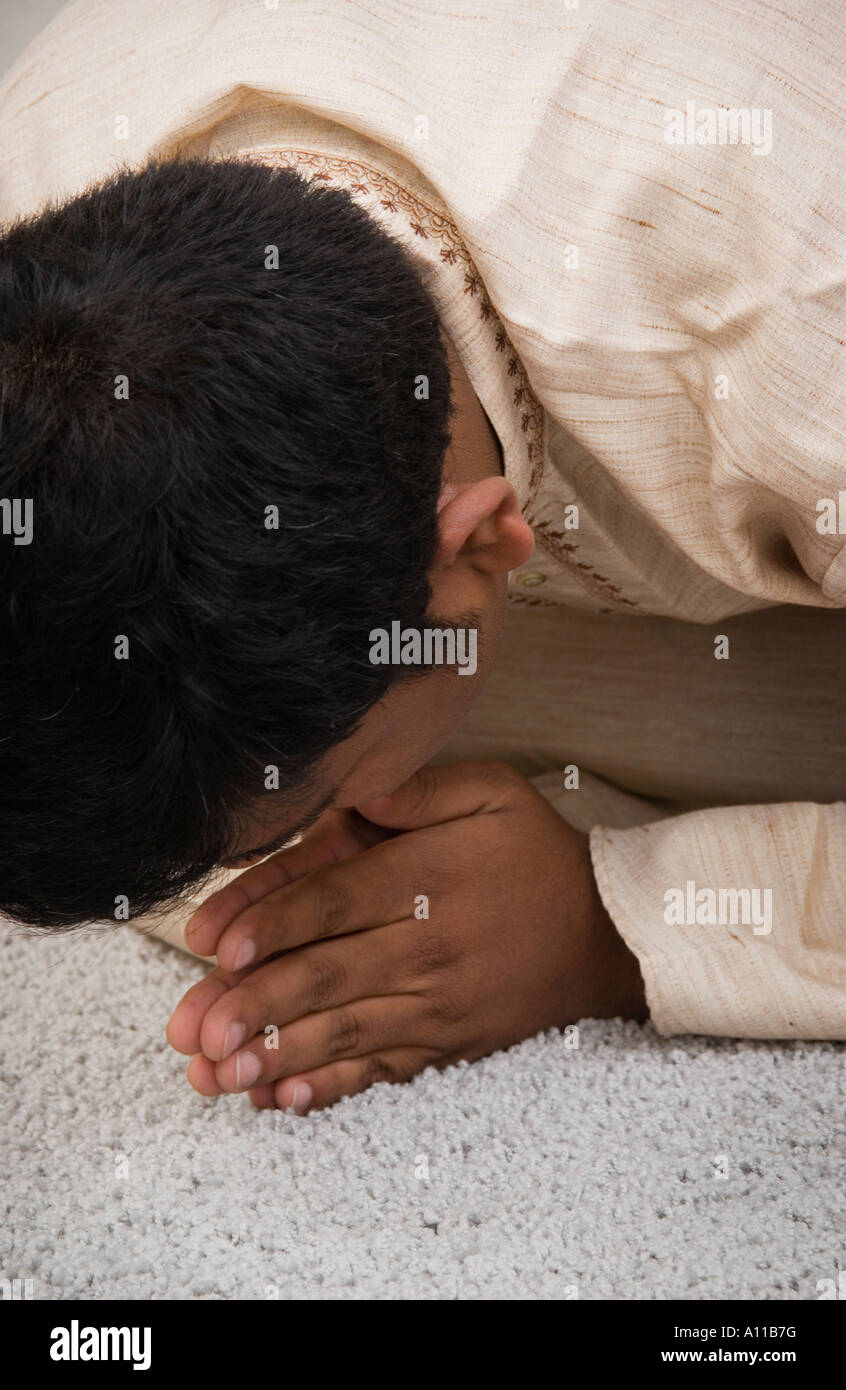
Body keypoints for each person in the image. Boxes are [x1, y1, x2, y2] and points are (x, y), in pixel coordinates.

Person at [1, 0, 844, 1116]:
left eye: (310, 814)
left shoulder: (793, 300)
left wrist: (614, 924)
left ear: (488, 536)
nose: (299, 855)